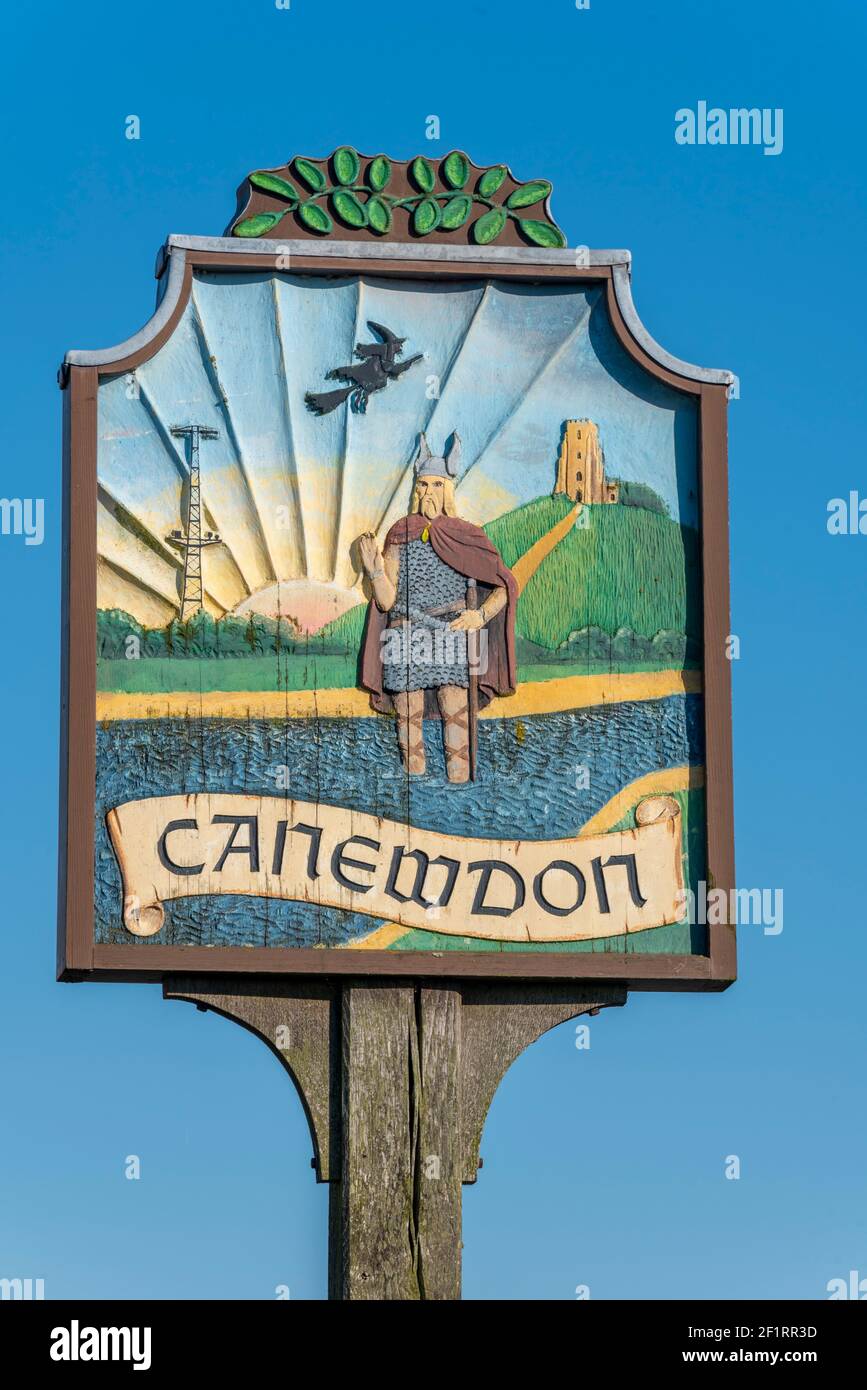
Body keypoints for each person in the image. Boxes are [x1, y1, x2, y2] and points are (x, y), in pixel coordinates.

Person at [359, 432, 518, 783]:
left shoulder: (467, 535)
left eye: (434, 485)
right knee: (407, 722)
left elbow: (503, 586)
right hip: (404, 635)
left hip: (451, 633)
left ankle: (459, 798)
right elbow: (386, 601)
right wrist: (374, 571)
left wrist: (479, 616)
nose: (426, 492)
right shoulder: (401, 533)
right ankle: (417, 800)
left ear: (447, 489)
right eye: (422, 485)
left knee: (457, 722)